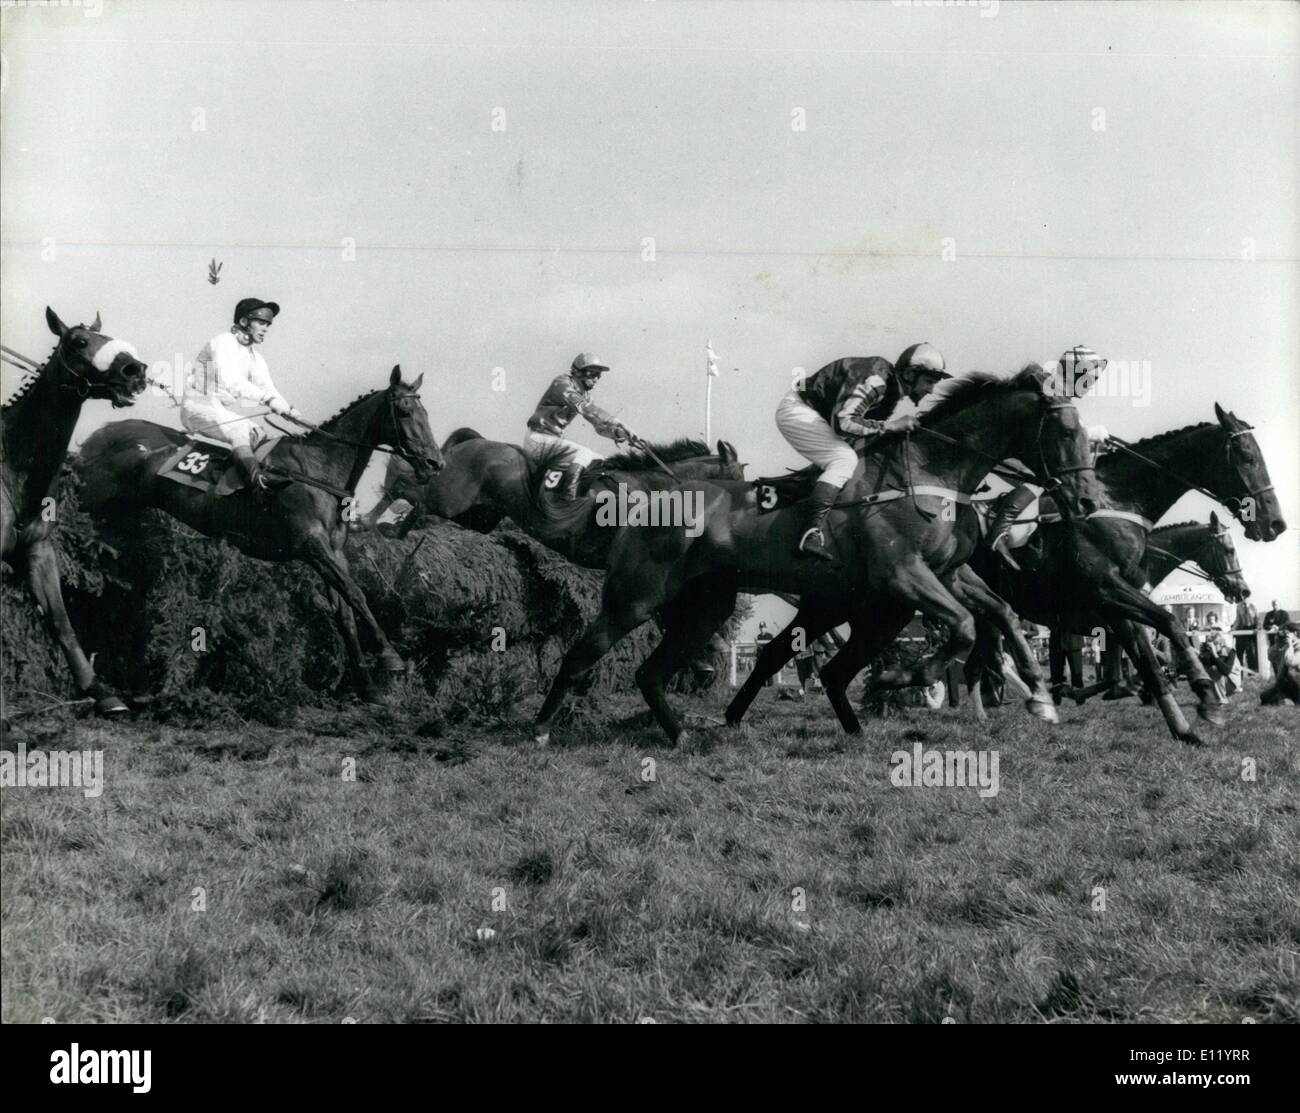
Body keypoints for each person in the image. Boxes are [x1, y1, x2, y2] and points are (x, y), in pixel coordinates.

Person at [776, 343, 950, 561]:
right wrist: (890, 426)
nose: (931, 390)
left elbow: (863, 431)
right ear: (910, 373)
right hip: (799, 410)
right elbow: (844, 423)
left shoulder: (890, 391)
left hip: (819, 415)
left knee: (854, 456)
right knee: (843, 459)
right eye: (929, 381)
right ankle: (810, 533)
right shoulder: (876, 381)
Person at [985, 346, 1111, 567]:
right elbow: (1055, 435)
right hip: (1014, 456)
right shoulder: (1050, 392)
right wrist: (1091, 433)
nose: (1093, 383)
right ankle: (1000, 528)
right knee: (1052, 477)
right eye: (1091, 377)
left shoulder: (1060, 395)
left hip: (1025, 457)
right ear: (1075, 373)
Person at [181, 298, 302, 495]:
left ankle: (235, 486)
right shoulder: (221, 343)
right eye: (261, 323)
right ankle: (258, 481)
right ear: (245, 322)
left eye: (268, 325)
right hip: (196, 407)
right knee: (239, 429)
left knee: (259, 434)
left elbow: (267, 387)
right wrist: (269, 401)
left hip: (218, 409)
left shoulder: (255, 357)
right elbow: (231, 380)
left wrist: (288, 410)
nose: (265, 329)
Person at [525, 353, 635, 500]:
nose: (596, 380)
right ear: (580, 372)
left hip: (552, 441)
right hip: (538, 439)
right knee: (584, 454)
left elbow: (598, 424)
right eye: (593, 374)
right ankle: (568, 500)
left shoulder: (585, 395)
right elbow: (586, 408)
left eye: (599, 376)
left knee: (599, 458)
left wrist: (617, 433)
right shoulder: (562, 384)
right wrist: (618, 422)